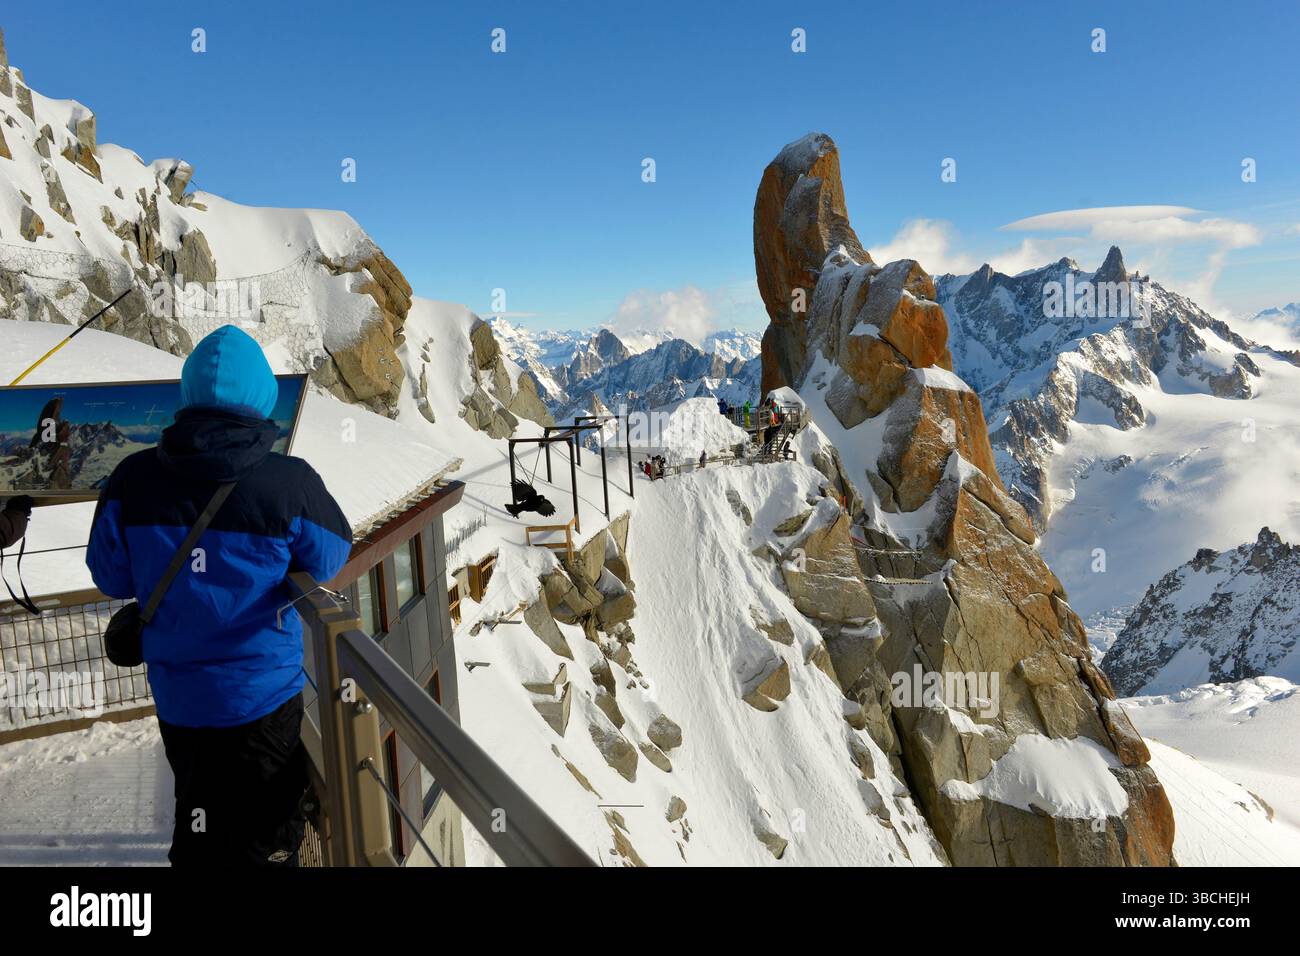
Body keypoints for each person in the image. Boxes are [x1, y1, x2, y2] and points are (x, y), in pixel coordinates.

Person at [86, 325, 352, 867]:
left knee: (200, 814)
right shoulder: (288, 482)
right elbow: (331, 556)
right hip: (261, 699)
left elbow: (110, 574)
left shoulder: (131, 478)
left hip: (179, 698)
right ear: (261, 401)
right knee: (265, 832)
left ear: (187, 398)